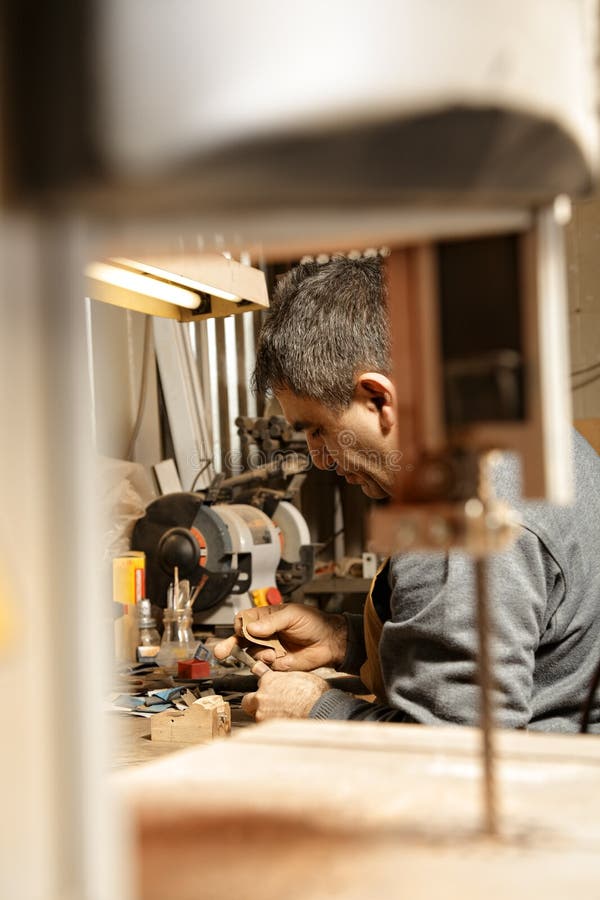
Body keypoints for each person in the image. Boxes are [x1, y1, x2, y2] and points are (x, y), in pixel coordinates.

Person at [214, 256, 600, 732]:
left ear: (379, 399)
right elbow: (526, 642)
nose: (317, 457)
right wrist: (344, 639)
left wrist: (314, 710)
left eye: (317, 429)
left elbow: (452, 757)